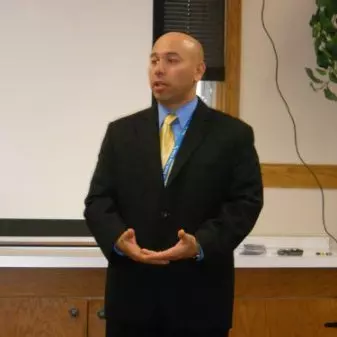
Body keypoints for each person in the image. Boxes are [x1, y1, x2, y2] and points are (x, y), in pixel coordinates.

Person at [84, 32, 263, 337]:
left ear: (199, 71)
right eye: (154, 60)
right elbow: (98, 200)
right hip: (131, 301)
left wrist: (201, 243)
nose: (158, 69)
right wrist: (117, 239)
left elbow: (245, 203)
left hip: (200, 303)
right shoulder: (121, 133)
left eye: (171, 60)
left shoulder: (232, 135)